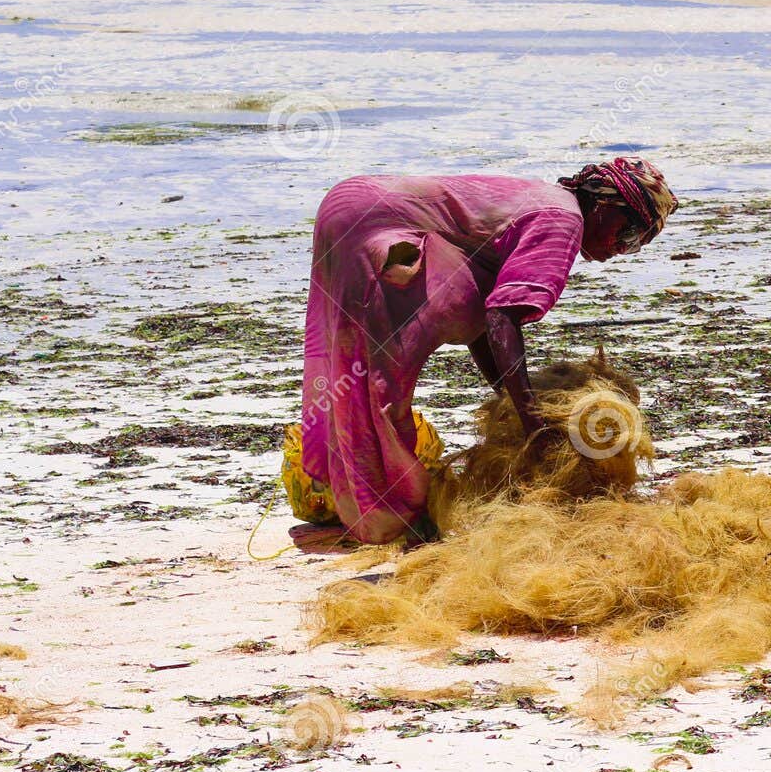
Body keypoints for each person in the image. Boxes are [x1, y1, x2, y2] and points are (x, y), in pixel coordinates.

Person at [284, 156, 678, 544]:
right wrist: (533, 423)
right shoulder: (565, 221)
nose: (619, 250)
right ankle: (395, 515)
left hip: (352, 202)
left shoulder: (547, 201)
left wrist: (507, 396)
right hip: (375, 220)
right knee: (381, 387)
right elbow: (501, 318)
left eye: (636, 246)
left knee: (352, 360)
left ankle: (357, 499)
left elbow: (485, 322)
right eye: (628, 235)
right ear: (606, 205)